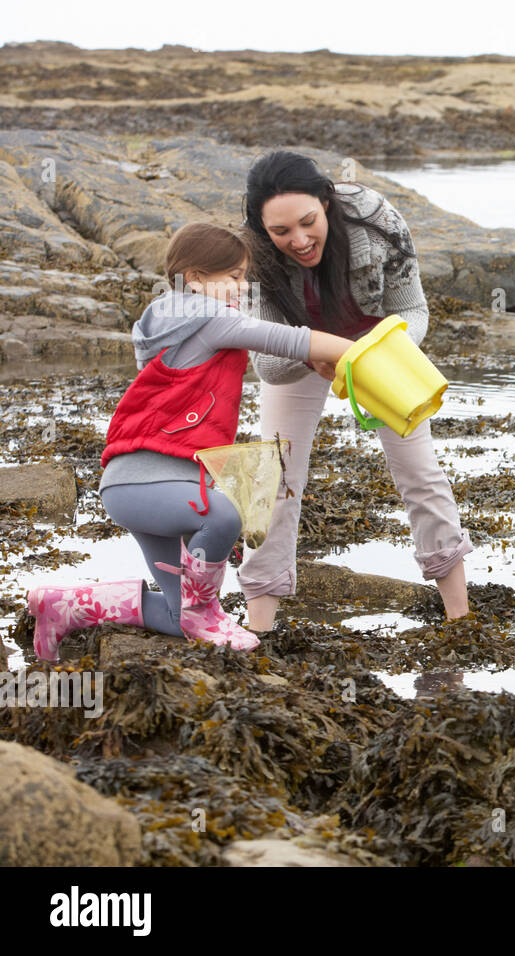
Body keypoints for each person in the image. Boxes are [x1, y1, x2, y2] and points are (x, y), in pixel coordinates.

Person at [26, 223, 357, 662]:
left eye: (245, 276)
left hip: (140, 488)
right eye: (234, 276)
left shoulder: (165, 320)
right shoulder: (208, 317)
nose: (243, 286)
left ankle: (62, 606)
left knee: (178, 615)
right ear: (196, 278)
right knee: (223, 515)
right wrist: (357, 351)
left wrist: (315, 358)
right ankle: (205, 608)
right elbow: (288, 338)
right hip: (149, 484)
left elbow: (278, 352)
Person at [239, 151, 472, 630]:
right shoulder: (255, 256)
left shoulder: (378, 220)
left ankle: (460, 617)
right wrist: (315, 353)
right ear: (264, 230)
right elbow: (266, 364)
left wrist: (375, 355)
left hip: (378, 354)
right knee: (275, 482)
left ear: (326, 201)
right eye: (281, 232)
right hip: (300, 354)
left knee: (420, 473)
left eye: (308, 222)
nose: (299, 241)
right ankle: (258, 626)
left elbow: (415, 310)